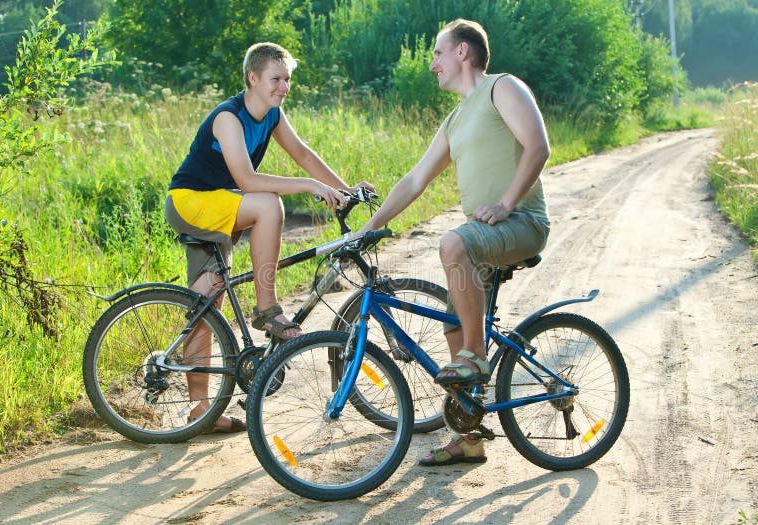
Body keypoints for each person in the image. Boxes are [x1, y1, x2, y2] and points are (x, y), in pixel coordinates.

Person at [355, 19, 550, 464]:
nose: (432, 64)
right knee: (451, 322)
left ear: (463, 51)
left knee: (452, 244)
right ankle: (469, 436)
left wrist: (505, 203)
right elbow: (415, 180)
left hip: (522, 222)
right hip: (485, 236)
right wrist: (368, 229)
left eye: (438, 53)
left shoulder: (502, 87)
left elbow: (538, 146)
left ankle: (475, 356)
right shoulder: (455, 120)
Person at [165, 42, 373, 433]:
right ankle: (267, 308)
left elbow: (304, 154)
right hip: (191, 203)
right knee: (268, 204)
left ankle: (200, 412)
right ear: (253, 78)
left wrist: (345, 190)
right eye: (276, 79)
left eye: (287, 79)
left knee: (206, 304)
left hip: (220, 205)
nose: (284, 87)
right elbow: (247, 180)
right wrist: (308, 185)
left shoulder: (273, 114)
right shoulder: (228, 118)